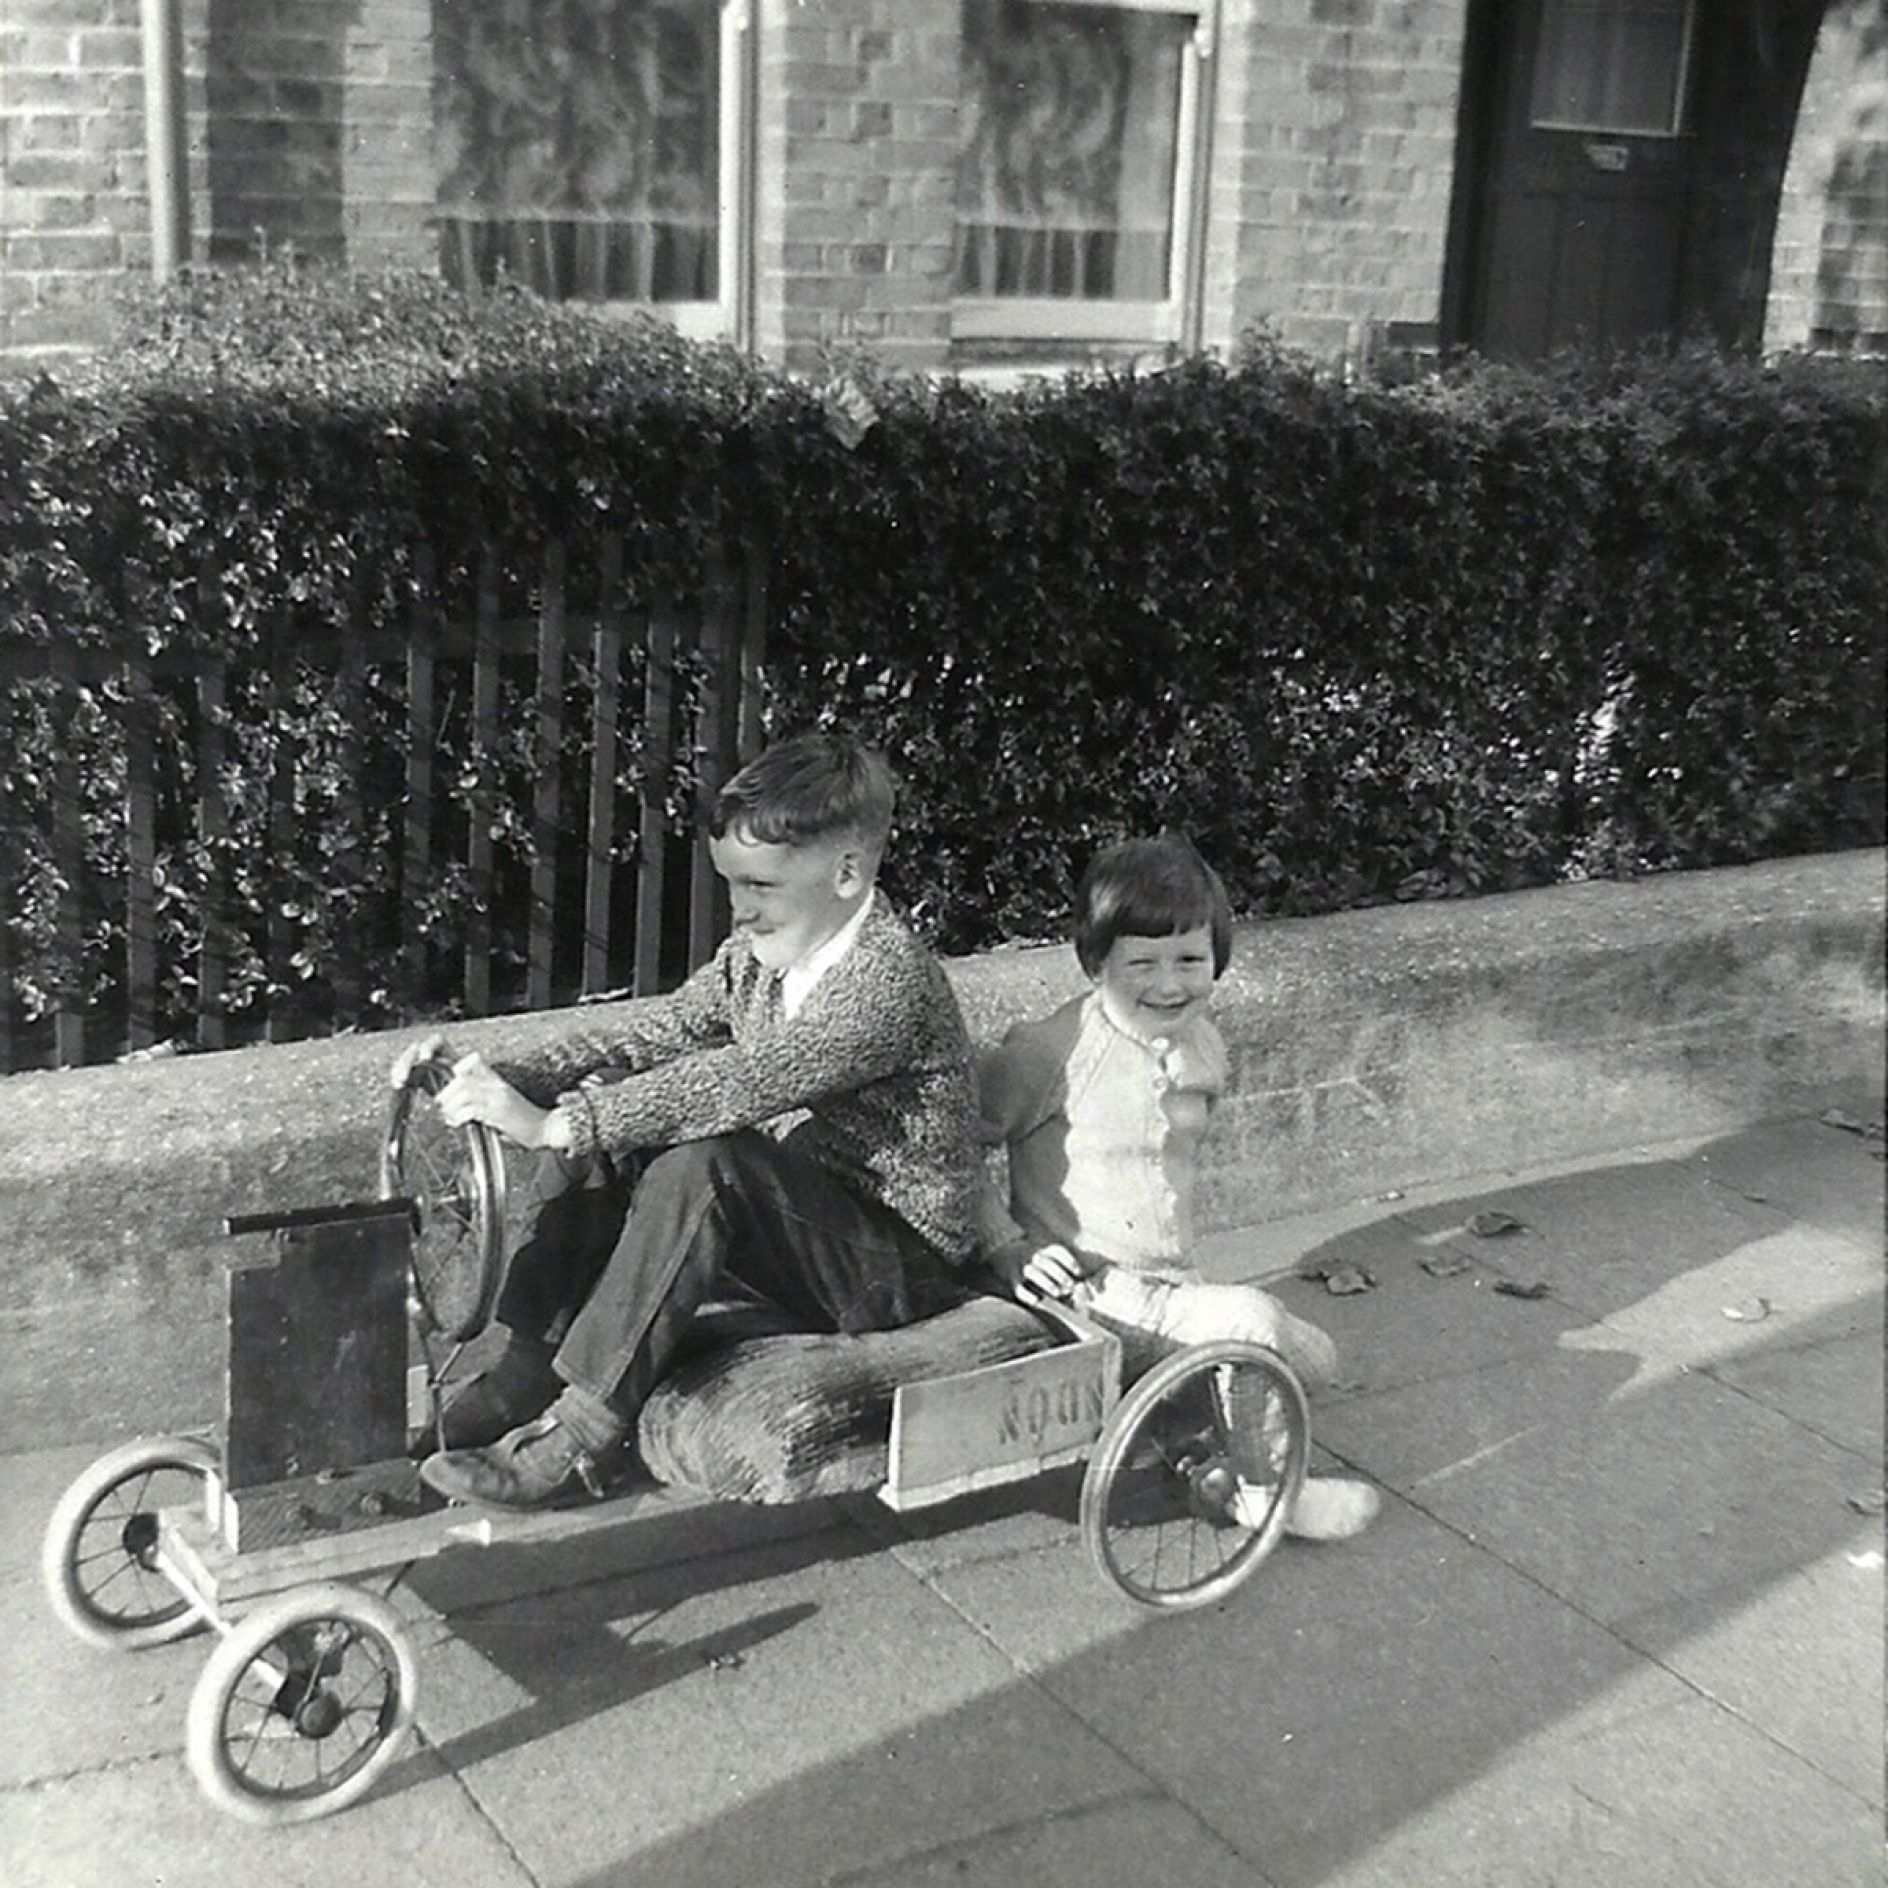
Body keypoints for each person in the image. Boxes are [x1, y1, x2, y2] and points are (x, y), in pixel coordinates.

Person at [399, 731, 980, 1510]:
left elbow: (741, 1082)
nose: (740, 908)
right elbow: (651, 1036)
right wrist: (500, 1074)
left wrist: (556, 1125)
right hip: (806, 1226)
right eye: (732, 884)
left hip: (894, 1265)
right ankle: (525, 1367)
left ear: (848, 872)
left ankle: (577, 1439)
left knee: (705, 1162)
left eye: (762, 886)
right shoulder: (759, 958)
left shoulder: (884, 981)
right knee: (618, 1102)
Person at [978, 833, 1380, 1542]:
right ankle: (1268, 1497)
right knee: (1252, 1324)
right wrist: (1006, 1247)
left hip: (1168, 1283)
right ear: (1096, 961)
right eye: (1143, 962)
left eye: (1191, 960)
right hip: (1088, 1288)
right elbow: (953, 1145)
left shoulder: (1202, 1044)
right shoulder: (1049, 1052)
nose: (1170, 984)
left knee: (1315, 1361)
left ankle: (1206, 1445)